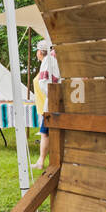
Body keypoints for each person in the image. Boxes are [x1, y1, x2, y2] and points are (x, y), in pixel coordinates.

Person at [31, 39, 60, 170]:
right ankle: (43, 161)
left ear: (40, 52)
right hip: (53, 102)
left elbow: (45, 83)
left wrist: (52, 96)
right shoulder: (55, 58)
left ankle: (41, 161)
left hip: (52, 103)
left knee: (45, 133)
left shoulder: (48, 61)